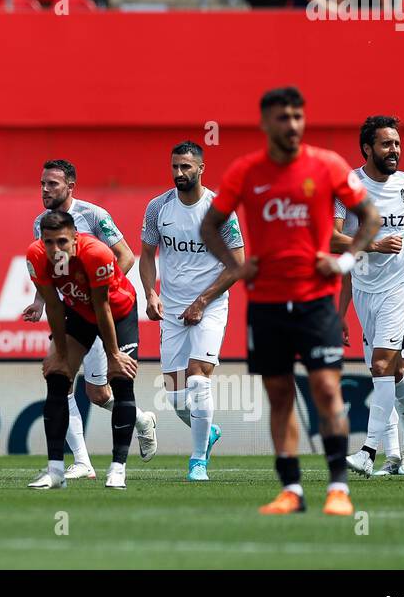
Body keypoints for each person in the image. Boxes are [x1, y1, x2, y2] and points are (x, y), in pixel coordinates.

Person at [200, 86, 380, 515]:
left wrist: (345, 262)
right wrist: (237, 265)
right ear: (265, 123)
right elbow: (210, 226)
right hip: (265, 303)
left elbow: (369, 216)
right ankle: (292, 491)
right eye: (283, 118)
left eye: (298, 117)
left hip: (316, 301)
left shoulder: (328, 165)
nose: (293, 125)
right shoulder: (246, 172)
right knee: (279, 394)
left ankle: (338, 488)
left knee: (325, 387)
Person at [20, 159, 155, 481]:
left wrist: (96, 287)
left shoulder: (93, 216)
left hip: (105, 304)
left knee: (100, 392)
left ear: (69, 186)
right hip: (76, 308)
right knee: (59, 374)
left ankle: (139, 423)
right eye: (42, 184)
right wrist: (40, 302)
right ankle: (81, 461)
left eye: (52, 184)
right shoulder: (42, 223)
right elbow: (50, 273)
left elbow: (125, 255)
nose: (45, 190)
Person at [332, 117, 404, 478]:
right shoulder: (348, 187)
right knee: (387, 374)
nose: (394, 150)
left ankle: (369, 452)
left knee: (383, 367)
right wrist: (374, 245)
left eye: (396, 143)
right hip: (365, 288)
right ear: (367, 148)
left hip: (403, 287)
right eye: (386, 144)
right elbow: (330, 239)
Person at [138, 142, 242, 481]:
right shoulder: (158, 208)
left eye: (187, 167)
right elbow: (146, 257)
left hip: (210, 306)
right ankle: (208, 432)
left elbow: (237, 264)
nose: (180, 173)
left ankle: (198, 460)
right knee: (174, 392)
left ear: (201, 168)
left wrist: (202, 301)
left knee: (199, 378)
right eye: (175, 167)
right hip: (171, 309)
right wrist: (151, 294)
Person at [26, 211, 141, 490]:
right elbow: (53, 305)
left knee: (121, 380)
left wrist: (114, 355)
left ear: (76, 238)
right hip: (79, 312)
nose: (55, 250)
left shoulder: (96, 253)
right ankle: (56, 471)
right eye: (49, 242)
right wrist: (61, 353)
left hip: (117, 312)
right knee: (57, 376)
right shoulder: (35, 255)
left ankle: (117, 468)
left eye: (62, 242)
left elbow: (102, 307)